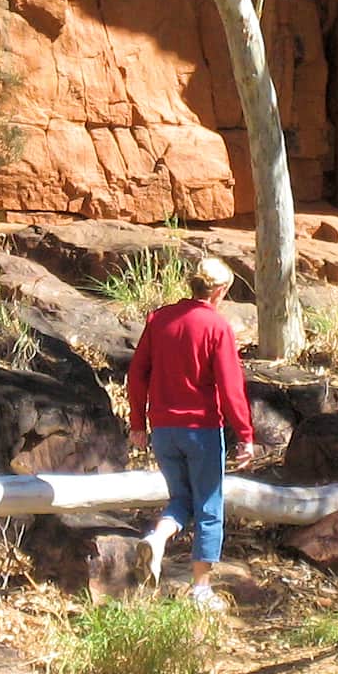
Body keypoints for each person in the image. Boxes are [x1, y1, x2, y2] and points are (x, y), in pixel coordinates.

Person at [126, 254, 256, 610]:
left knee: (181, 501)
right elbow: (231, 387)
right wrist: (245, 434)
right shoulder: (216, 328)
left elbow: (137, 375)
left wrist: (138, 423)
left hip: (164, 429)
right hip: (201, 430)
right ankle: (201, 590)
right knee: (209, 507)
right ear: (220, 290)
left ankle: (157, 538)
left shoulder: (159, 319)